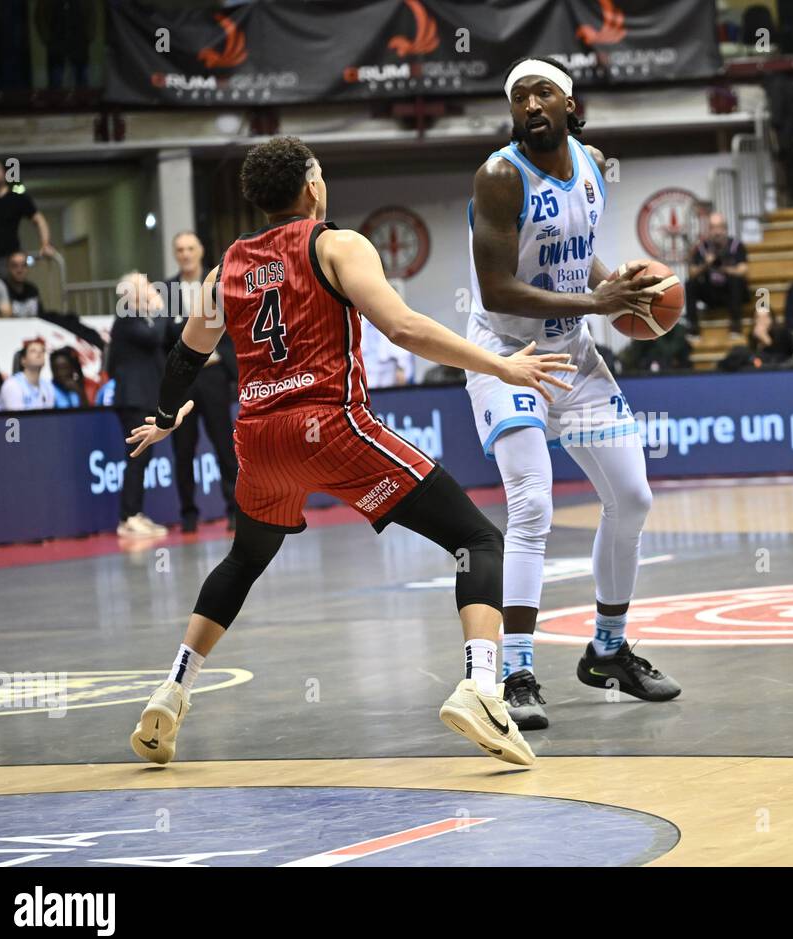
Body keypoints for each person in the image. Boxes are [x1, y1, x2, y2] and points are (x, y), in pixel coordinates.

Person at [126, 135, 576, 768]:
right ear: (312, 186)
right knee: (477, 539)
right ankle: (481, 688)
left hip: (259, 438)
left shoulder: (225, 267)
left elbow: (186, 354)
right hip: (330, 427)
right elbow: (404, 328)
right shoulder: (336, 244)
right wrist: (499, 366)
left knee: (244, 560)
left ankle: (172, 692)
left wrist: (167, 413)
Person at [466, 57, 682, 731]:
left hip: (573, 355)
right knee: (531, 503)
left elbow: (578, 252)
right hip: (509, 355)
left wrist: (625, 294)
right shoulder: (500, 177)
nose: (530, 104)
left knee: (634, 497)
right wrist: (597, 300)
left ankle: (608, 652)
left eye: (542, 92)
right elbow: (499, 288)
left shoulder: (590, 163)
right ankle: (518, 670)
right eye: (519, 97)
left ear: (569, 103)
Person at [162, 231, 239, 533]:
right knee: (183, 449)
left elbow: (234, 325)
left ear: (200, 250)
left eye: (190, 248)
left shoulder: (220, 281)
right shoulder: (166, 290)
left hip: (214, 376)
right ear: (175, 253)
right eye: (179, 249)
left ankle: (234, 509)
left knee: (224, 444)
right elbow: (164, 336)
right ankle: (188, 514)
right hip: (185, 379)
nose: (185, 254)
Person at [110, 273, 169, 539]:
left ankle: (134, 513)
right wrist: (161, 309)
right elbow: (154, 337)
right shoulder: (126, 320)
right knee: (136, 457)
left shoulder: (140, 320)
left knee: (143, 458)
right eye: (145, 285)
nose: (151, 289)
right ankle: (128, 517)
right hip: (133, 400)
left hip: (146, 399)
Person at [0, 159, 56, 273]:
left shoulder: (17, 199)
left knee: (8, 288)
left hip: (8, 260)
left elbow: (39, 220)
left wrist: (45, 244)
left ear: (5, 174)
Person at [685, 212, 750, 338]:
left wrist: (723, 268)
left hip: (732, 294)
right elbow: (691, 272)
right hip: (712, 294)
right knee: (690, 284)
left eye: (719, 227)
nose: (717, 232)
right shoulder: (702, 248)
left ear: (725, 228)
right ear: (709, 230)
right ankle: (692, 326)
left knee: (735, 280)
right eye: (713, 228)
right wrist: (706, 264)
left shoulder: (736, 246)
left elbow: (744, 270)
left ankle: (736, 325)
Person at [0, 338, 53, 411]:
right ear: (23, 360)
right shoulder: (12, 385)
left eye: (42, 351)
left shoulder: (48, 387)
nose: (39, 353)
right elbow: (18, 420)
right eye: (33, 351)